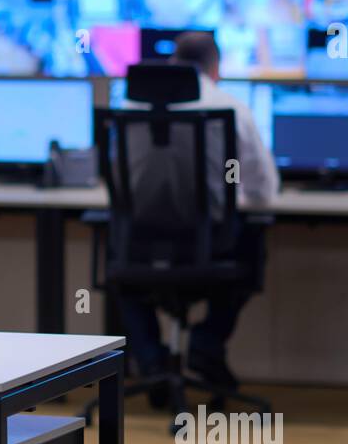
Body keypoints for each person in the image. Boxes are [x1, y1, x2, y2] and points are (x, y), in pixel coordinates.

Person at [120, 31, 279, 390]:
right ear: (216, 67)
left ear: (173, 60)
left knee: (117, 261)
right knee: (254, 238)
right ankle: (207, 344)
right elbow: (264, 191)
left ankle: (150, 361)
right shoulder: (232, 108)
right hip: (211, 249)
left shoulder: (130, 106)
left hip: (140, 249)